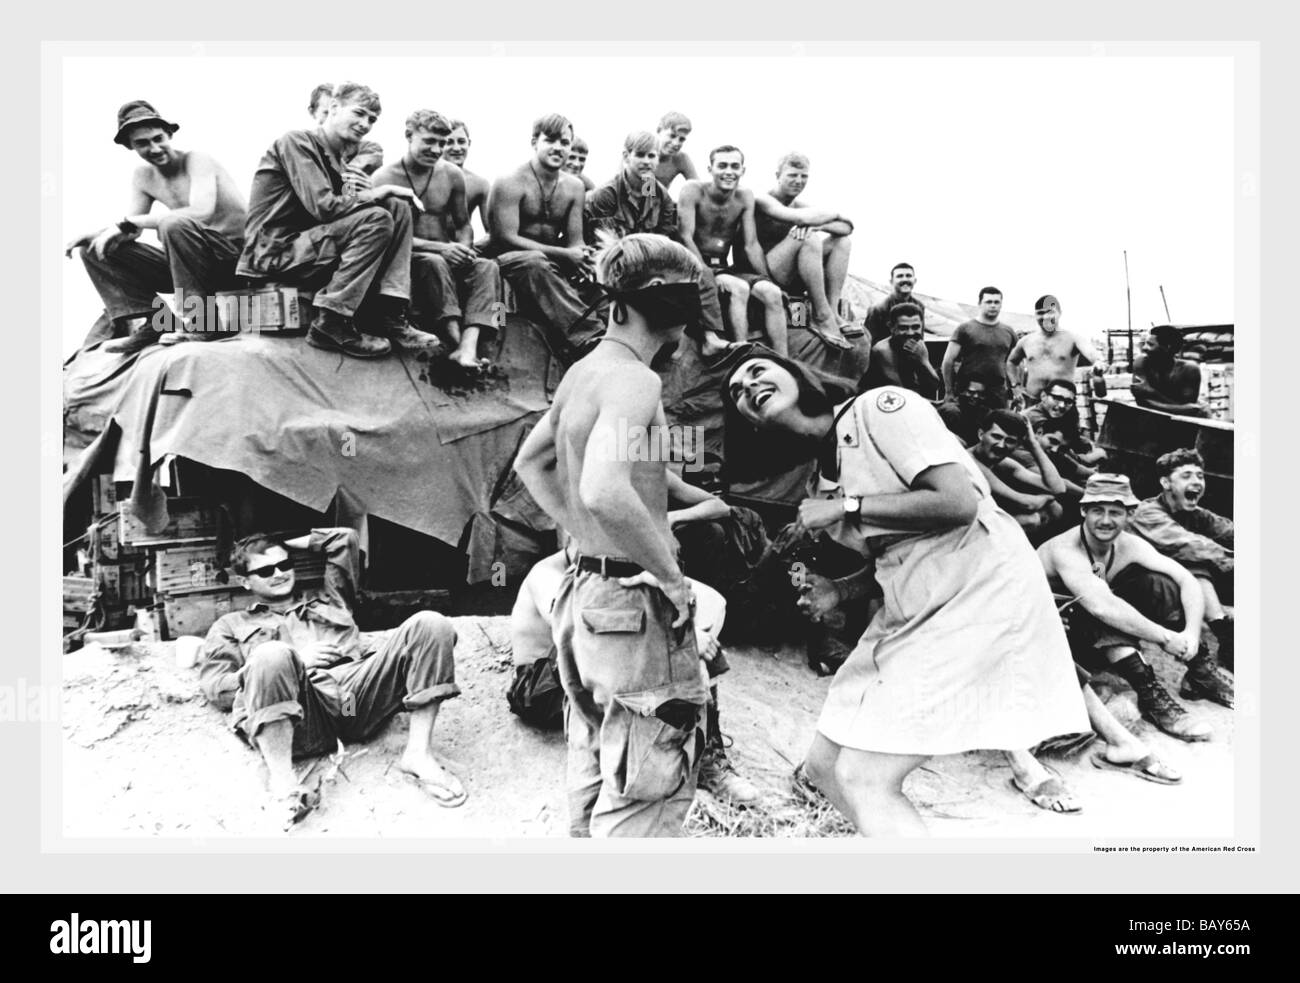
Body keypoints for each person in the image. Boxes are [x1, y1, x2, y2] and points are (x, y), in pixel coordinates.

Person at [721, 356, 1090, 834]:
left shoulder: (879, 408)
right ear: (748, 420)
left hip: (976, 589)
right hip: (912, 602)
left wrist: (847, 507)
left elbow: (956, 503)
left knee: (865, 776)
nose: (747, 386)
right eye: (735, 392)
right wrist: (839, 590)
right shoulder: (821, 474)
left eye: (756, 370)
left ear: (796, 374)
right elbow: (892, 554)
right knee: (823, 769)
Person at [512, 233, 712, 837]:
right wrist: (671, 579)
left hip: (582, 599)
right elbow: (604, 487)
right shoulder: (636, 381)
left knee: (598, 767)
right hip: (630, 607)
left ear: (617, 304)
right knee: (643, 797)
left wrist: (585, 538)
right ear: (676, 312)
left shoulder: (582, 373)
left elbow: (531, 462)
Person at [197, 528, 465, 827]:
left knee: (431, 623)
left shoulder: (331, 600)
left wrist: (276, 543)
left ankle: (418, 753)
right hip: (300, 717)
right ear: (245, 581)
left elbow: (344, 540)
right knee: (272, 654)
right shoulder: (231, 625)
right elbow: (215, 687)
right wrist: (295, 660)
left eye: (285, 565)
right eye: (265, 569)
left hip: (356, 701)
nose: (279, 573)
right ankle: (284, 783)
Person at [509, 532, 761, 807]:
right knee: (638, 651)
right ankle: (655, 736)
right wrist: (680, 641)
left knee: (674, 640)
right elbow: (576, 634)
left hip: (586, 680)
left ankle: (706, 753)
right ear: (571, 534)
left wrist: (688, 634)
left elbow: (711, 600)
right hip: (540, 688)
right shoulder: (545, 573)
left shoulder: (612, 566)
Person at [238, 81, 429, 359]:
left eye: (372, 119)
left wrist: (376, 190)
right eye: (359, 113)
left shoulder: (339, 159)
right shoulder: (296, 142)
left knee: (397, 206)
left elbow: (370, 154)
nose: (365, 124)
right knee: (376, 217)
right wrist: (378, 191)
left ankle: (391, 310)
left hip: (308, 249)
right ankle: (332, 321)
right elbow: (324, 207)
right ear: (334, 108)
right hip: (275, 254)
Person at [1038, 474, 1233, 744]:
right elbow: (1103, 607)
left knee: (1159, 583)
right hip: (1053, 637)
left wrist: (1191, 634)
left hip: (1093, 636)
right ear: (1083, 510)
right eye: (1097, 511)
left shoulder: (1129, 544)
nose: (1106, 520)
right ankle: (1148, 692)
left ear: (1129, 514)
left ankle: (1199, 671)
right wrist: (1166, 637)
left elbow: (1186, 579)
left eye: (1116, 513)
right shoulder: (1066, 548)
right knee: (1097, 605)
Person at [65, 100, 247, 353]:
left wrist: (127, 224)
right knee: (94, 248)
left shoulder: (197, 160)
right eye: (142, 143)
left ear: (169, 134)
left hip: (235, 261)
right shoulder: (143, 176)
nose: (154, 147)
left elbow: (201, 212)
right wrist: (97, 233)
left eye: (158, 138)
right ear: (131, 146)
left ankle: (203, 322)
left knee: (173, 223)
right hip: (190, 266)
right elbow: (132, 230)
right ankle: (156, 320)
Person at [583, 131, 735, 357]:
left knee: (698, 270)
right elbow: (606, 244)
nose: (647, 162)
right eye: (641, 155)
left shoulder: (653, 189)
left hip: (649, 259)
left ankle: (709, 336)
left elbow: (665, 233)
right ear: (627, 156)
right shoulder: (608, 194)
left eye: (652, 156)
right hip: (616, 264)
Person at [374, 109, 503, 368]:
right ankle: (455, 341)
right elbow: (386, 239)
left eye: (441, 143)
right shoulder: (384, 178)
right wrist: (443, 249)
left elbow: (464, 225)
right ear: (409, 136)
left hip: (446, 253)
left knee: (487, 267)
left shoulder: (451, 174)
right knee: (435, 263)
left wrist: (463, 249)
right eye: (429, 141)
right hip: (411, 258)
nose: (436, 149)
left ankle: (468, 346)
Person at [487, 113, 605, 358]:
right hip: (510, 260)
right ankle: (589, 336)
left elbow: (576, 240)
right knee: (535, 262)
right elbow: (504, 238)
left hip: (549, 262)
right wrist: (565, 254)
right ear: (534, 142)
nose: (558, 147)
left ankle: (618, 336)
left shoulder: (575, 186)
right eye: (550, 140)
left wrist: (583, 257)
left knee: (598, 268)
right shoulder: (510, 181)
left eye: (564, 142)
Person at [678, 146, 792, 355]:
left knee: (772, 293)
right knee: (739, 289)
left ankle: (783, 360)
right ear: (710, 168)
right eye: (722, 166)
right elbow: (685, 236)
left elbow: (751, 244)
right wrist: (705, 272)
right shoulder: (693, 190)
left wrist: (766, 278)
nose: (728, 172)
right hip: (698, 264)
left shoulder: (744, 197)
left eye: (734, 166)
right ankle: (741, 354)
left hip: (725, 267)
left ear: (742, 170)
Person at [1130, 449, 1234, 669]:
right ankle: (1224, 636)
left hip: (1175, 587)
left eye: (1200, 476)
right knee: (1193, 559)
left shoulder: (1194, 513)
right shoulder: (1148, 512)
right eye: (1186, 476)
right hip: (1137, 589)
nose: (1196, 481)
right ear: (1166, 483)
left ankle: (1226, 634)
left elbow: (1228, 531)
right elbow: (1189, 545)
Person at [753, 152, 856, 346]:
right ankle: (822, 314)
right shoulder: (763, 200)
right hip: (768, 271)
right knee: (808, 238)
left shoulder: (802, 206)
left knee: (842, 242)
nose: (799, 181)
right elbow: (800, 219)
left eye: (804, 176)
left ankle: (832, 310)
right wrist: (833, 215)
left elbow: (847, 228)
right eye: (792, 175)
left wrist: (819, 225)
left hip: (795, 273)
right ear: (778, 175)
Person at [967, 409, 1069, 533]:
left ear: (1018, 444)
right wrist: (1048, 498)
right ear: (981, 434)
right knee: (1031, 520)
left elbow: (1058, 488)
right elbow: (1026, 503)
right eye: (996, 437)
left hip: (983, 518)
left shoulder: (1002, 463)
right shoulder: (970, 461)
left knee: (1054, 509)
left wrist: (1033, 444)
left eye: (1010, 441)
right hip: (961, 528)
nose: (1001, 445)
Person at [1007, 294, 1106, 403]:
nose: (1045, 317)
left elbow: (1092, 354)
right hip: (1032, 403)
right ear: (1035, 315)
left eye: (1050, 312)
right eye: (1040, 313)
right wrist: (1015, 386)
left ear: (1059, 313)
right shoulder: (1026, 341)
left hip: (1063, 404)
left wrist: (1098, 362)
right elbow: (1011, 362)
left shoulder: (1072, 338)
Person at [940, 286, 1018, 406]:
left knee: (1000, 422)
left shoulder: (1009, 332)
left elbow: (1015, 362)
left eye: (997, 302)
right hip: (969, 390)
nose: (993, 305)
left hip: (997, 392)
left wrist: (1016, 388)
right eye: (988, 302)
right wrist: (949, 391)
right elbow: (948, 361)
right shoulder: (965, 329)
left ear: (1001, 305)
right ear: (979, 304)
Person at [861, 302, 939, 398]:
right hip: (884, 399)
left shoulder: (918, 344)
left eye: (916, 327)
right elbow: (899, 391)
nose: (910, 333)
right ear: (891, 327)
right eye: (903, 328)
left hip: (909, 397)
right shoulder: (882, 350)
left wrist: (923, 362)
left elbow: (934, 387)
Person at [308, 83, 384, 181]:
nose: (365, 125)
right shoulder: (299, 142)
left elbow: (348, 187)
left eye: (372, 120)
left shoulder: (368, 148)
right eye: (326, 112)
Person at [1131, 325, 1206, 416]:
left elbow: (1189, 411)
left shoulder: (1189, 369)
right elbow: (1141, 402)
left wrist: (1153, 393)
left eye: (1150, 344)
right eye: (1145, 343)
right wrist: (1180, 408)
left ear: (1167, 347)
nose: (1144, 348)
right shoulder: (1141, 362)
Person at [443, 120, 492, 243]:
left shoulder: (479, 184)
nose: (456, 148)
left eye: (461, 142)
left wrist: (470, 250)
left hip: (464, 248)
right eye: (449, 142)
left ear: (469, 143)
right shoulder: (426, 179)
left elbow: (492, 232)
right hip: (432, 251)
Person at [863, 263, 927, 346]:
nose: (905, 279)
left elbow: (920, 337)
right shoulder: (878, 308)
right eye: (900, 276)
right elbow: (869, 341)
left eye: (908, 276)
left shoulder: (919, 305)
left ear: (914, 280)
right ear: (891, 281)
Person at [936, 370, 999, 446]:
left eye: (981, 394)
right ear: (962, 391)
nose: (976, 396)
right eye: (971, 392)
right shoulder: (952, 411)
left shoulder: (981, 411)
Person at [653, 111, 698, 191]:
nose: (676, 143)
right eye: (672, 136)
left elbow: (698, 188)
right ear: (659, 130)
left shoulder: (681, 158)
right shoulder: (643, 153)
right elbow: (647, 196)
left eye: (681, 139)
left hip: (659, 200)